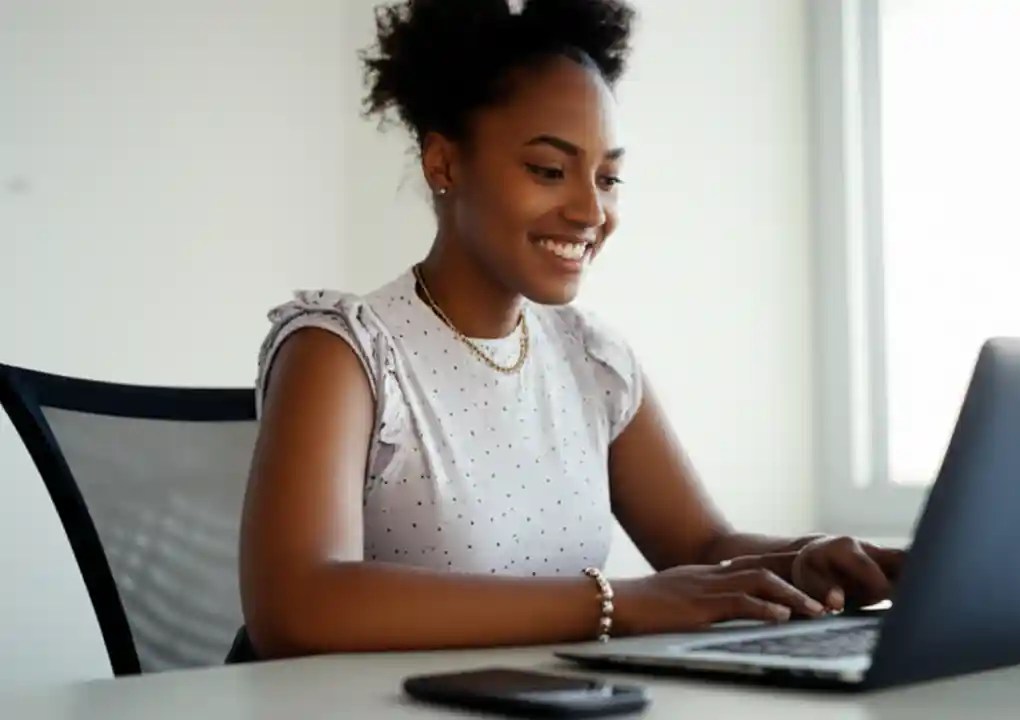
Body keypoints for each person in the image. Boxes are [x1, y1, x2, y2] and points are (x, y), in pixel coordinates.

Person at [237, 0, 904, 659]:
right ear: (443, 165)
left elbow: (701, 550)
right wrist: (620, 604)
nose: (591, 210)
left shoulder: (591, 359)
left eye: (608, 177)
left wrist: (805, 561)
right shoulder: (343, 352)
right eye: (549, 171)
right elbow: (299, 605)